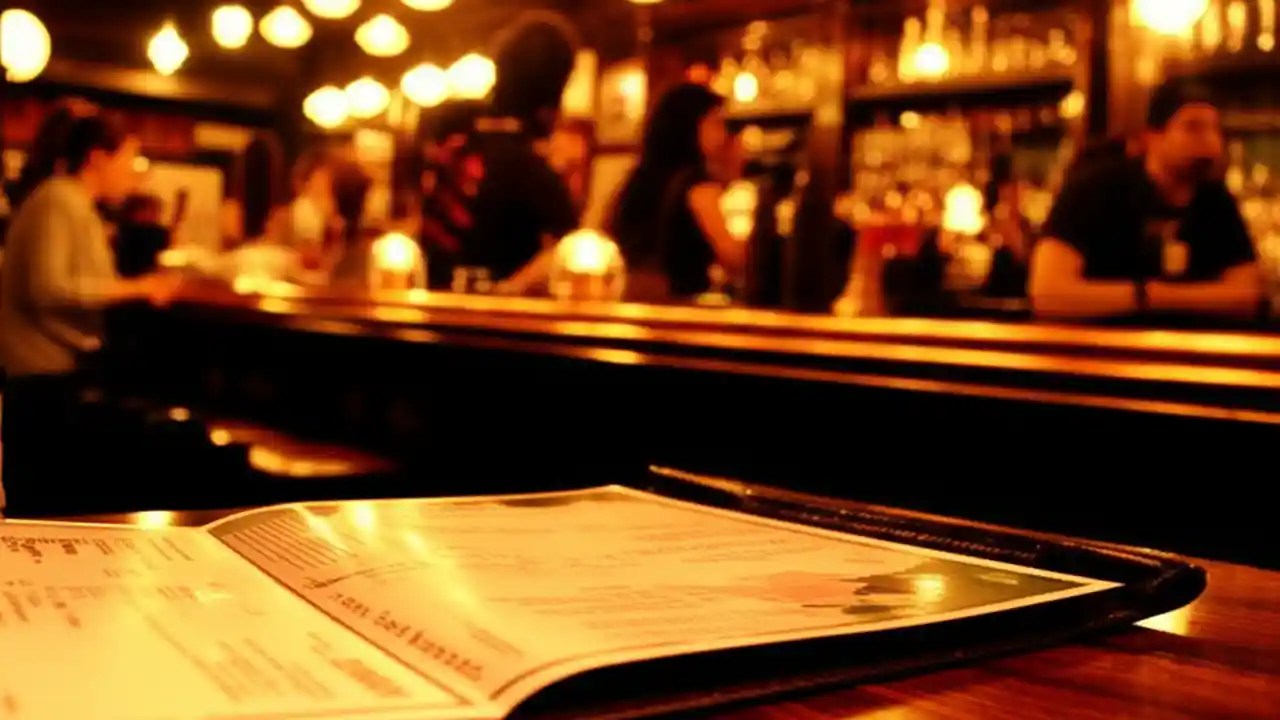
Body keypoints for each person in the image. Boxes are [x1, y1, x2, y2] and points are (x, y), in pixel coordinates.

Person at [0, 114, 179, 513]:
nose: (135, 175)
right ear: (98, 157)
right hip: (40, 374)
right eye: (130, 160)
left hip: (50, 372)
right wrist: (143, 287)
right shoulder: (60, 198)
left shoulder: (71, 201)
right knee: (48, 501)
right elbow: (49, 286)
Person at [1030, 80, 1262, 320]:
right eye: (1193, 128)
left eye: (1215, 130)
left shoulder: (1216, 199)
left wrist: (1152, 296)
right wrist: (1154, 297)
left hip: (1192, 352)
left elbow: (1247, 296)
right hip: (1102, 350)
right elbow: (1048, 294)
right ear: (1152, 137)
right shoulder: (1097, 188)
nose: (1210, 142)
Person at [467, 13, 580, 293]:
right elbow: (571, 251)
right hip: (499, 326)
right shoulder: (530, 169)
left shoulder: (452, 139)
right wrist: (505, 293)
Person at [608, 83, 746, 301]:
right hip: (676, 305)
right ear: (691, 126)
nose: (724, 135)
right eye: (716, 124)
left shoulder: (642, 179)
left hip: (632, 299)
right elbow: (733, 257)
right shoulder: (695, 184)